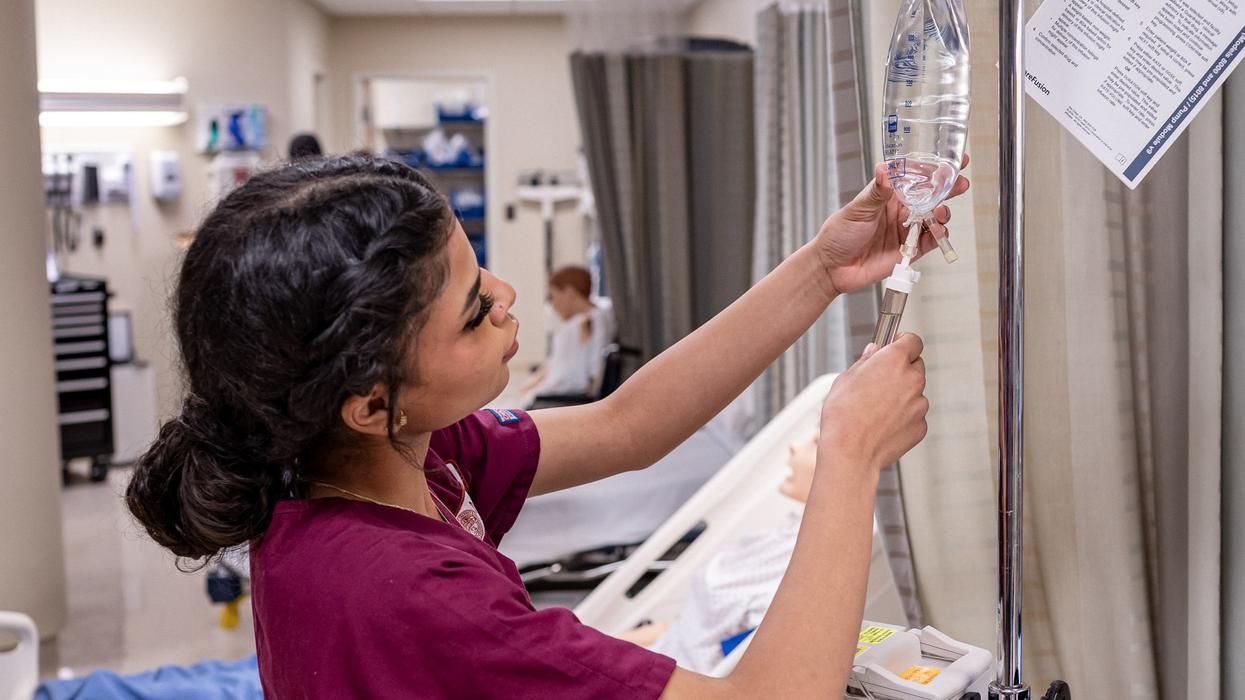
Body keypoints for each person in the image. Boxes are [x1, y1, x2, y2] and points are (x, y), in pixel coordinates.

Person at [126, 153, 965, 698]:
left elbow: (625, 425)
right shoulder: (413, 596)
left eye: (478, 264)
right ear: (371, 400)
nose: (507, 296)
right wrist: (850, 456)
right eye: (470, 311)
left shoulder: (379, 457)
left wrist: (821, 270)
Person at [624, 438, 819, 673]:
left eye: (817, 443)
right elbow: (691, 630)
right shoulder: (789, 537)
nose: (795, 445)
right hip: (662, 653)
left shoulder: (801, 565)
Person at [522, 265, 612, 405]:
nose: (553, 305)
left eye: (553, 296)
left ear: (570, 293)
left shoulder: (580, 326)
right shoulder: (599, 315)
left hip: (564, 400)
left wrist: (533, 394)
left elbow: (566, 378)